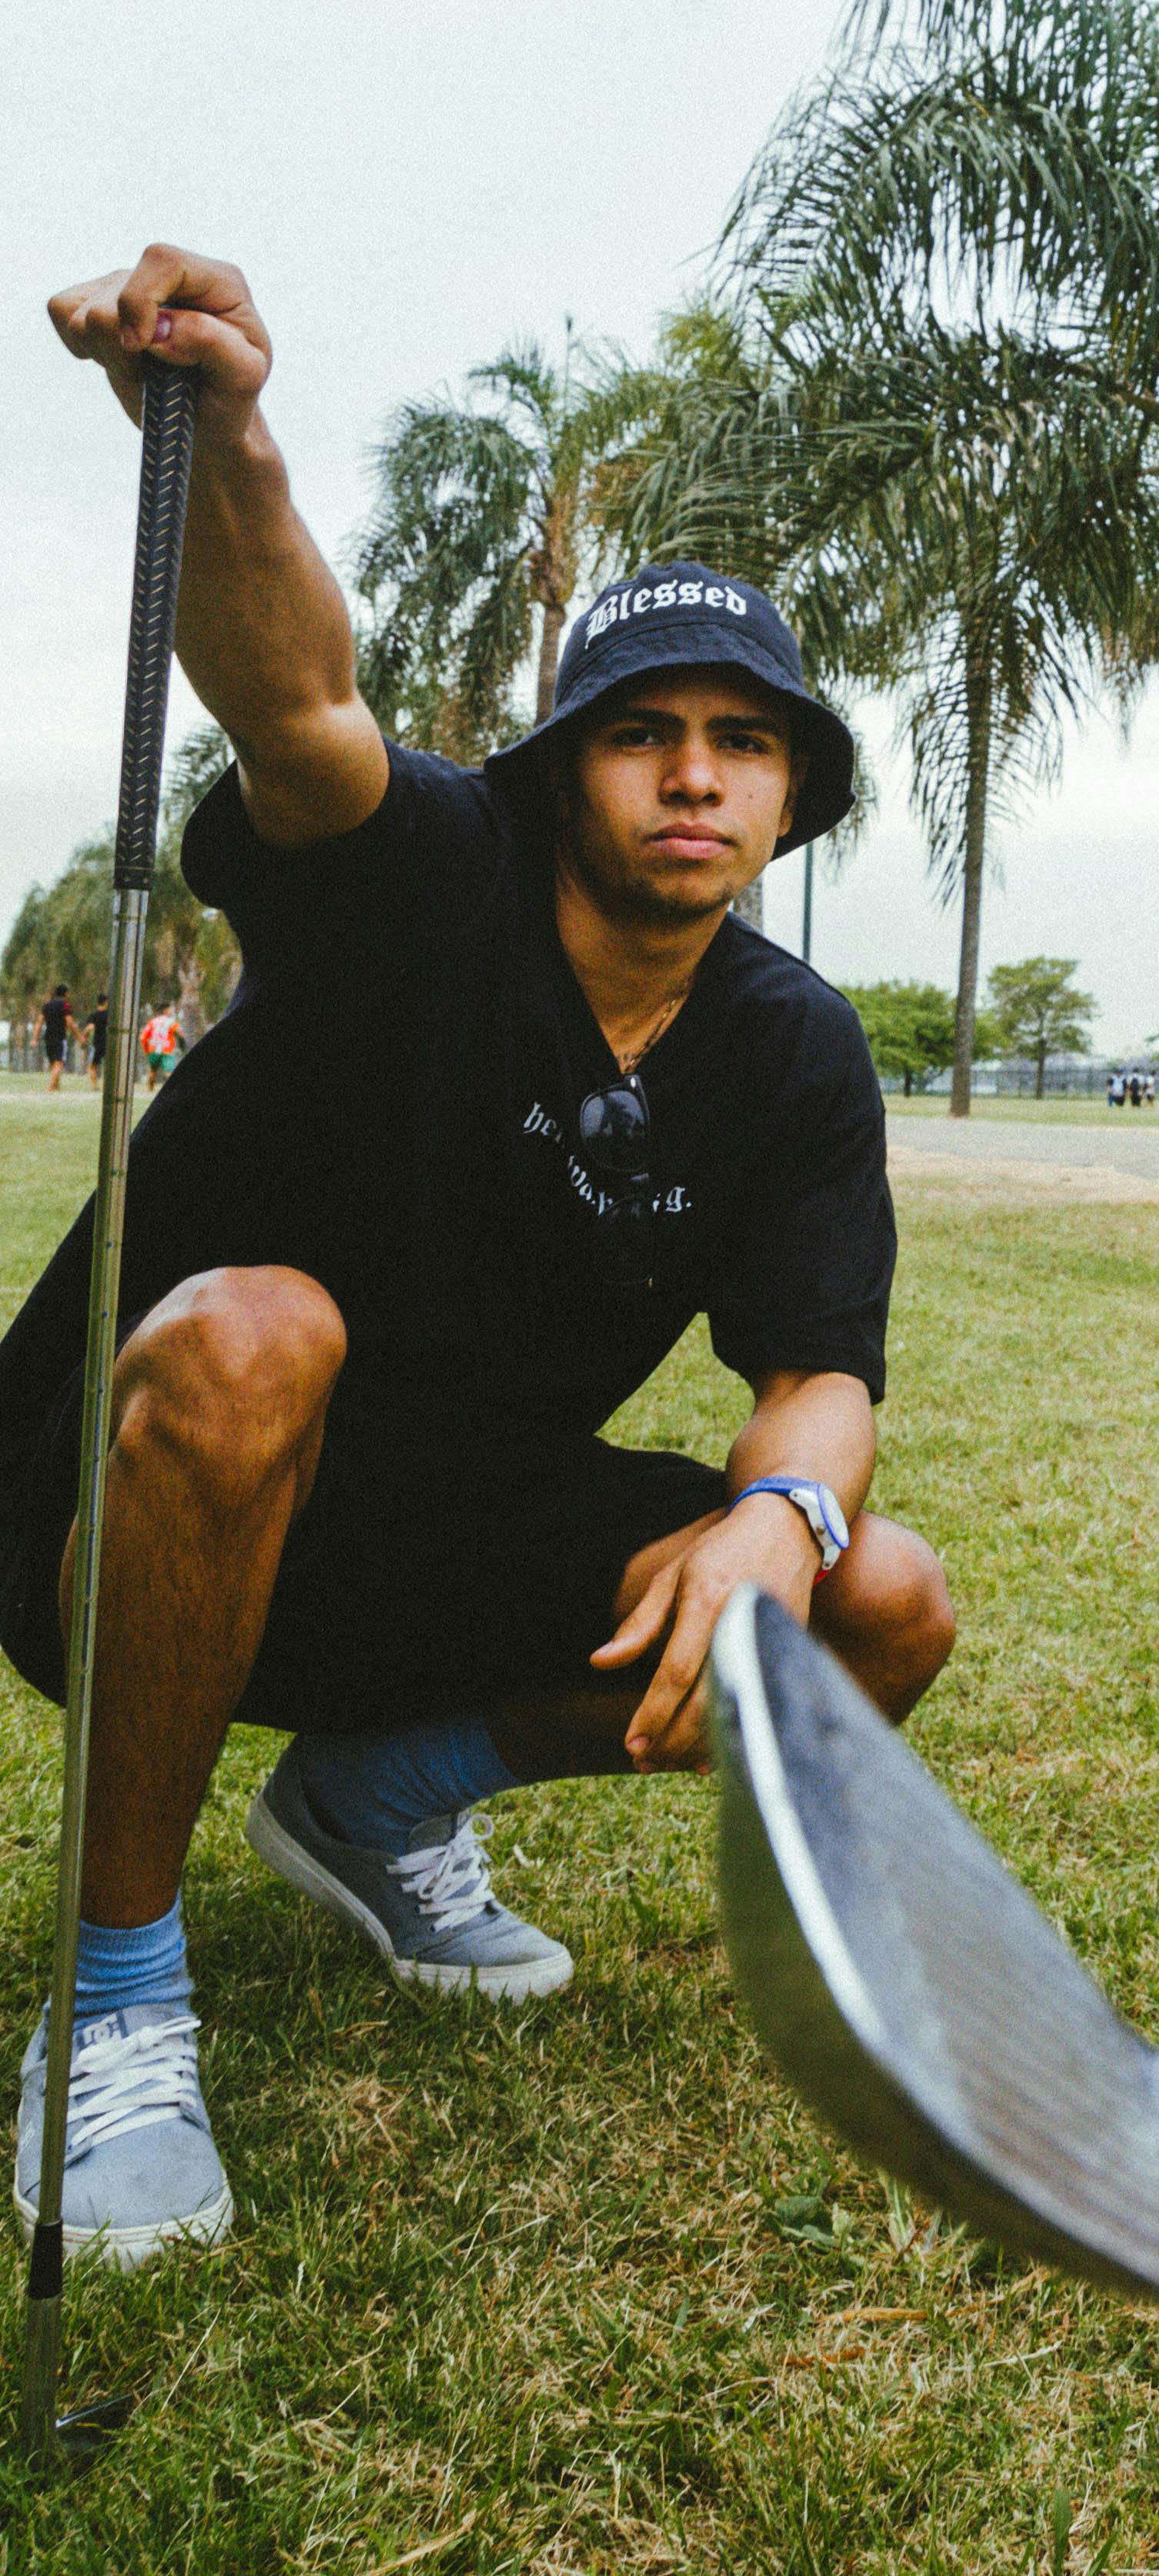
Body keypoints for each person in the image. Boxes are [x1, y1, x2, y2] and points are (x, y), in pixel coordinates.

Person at [8, 245, 955, 2267]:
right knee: (267, 1331)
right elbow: (295, 698)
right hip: (115, 1492)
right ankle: (112, 1999)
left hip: (430, 1537)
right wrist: (234, 432)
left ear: (792, 792)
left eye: (745, 739)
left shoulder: (793, 1050)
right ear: (560, 766)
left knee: (873, 1606)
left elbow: (824, 1372)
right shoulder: (425, 867)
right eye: (644, 731)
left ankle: (375, 1799)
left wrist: (783, 1512)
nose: (695, 771)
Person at [39, 988, 70, 1094]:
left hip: (48, 1037)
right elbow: (69, 1022)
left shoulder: (46, 1005)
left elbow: (39, 1023)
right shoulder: (65, 1005)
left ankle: (56, 1087)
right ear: (65, 993)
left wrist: (34, 1038)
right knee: (59, 1064)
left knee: (53, 1064)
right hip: (60, 1037)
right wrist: (79, 1037)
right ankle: (51, 1087)